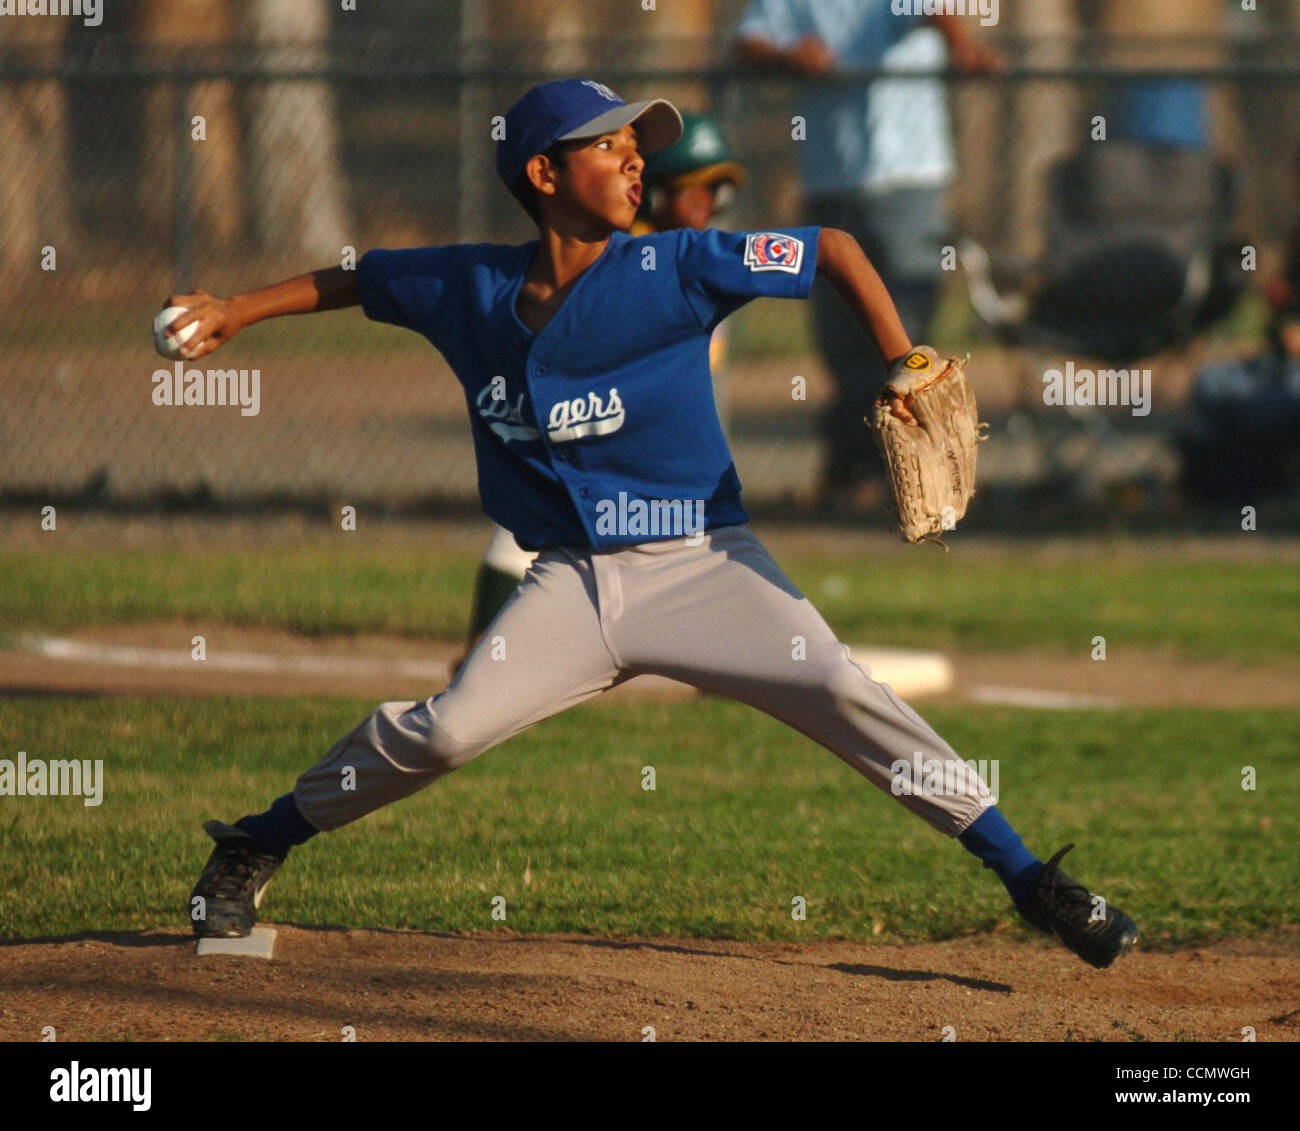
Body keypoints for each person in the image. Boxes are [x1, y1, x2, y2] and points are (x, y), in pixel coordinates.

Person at [170, 78, 1136, 970]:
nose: (637, 159)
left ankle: (1033, 882)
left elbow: (833, 248)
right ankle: (262, 837)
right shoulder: (468, 288)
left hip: (707, 563)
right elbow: (360, 280)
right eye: (608, 145)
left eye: (639, 144)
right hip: (575, 584)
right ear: (544, 173)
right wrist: (235, 312)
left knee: (847, 693)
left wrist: (903, 356)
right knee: (446, 732)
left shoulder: (677, 266)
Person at [462, 110, 747, 655]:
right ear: (656, 193)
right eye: (698, 189)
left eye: (720, 191)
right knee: (553, 517)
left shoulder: (693, 258)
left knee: (688, 528)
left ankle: (721, 645)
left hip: (636, 430)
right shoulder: (619, 260)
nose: (711, 205)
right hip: (582, 419)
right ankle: (485, 649)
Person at [734, 1, 1001, 513]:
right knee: (842, 339)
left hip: (911, 174)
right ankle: (856, 468)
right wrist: (790, 55)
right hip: (832, 178)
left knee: (909, 336)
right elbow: (746, 44)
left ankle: (929, 475)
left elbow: (938, 9)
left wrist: (961, 45)